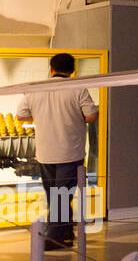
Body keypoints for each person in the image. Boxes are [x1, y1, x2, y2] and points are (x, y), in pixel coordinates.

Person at [15, 54, 97, 250]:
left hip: (45, 152)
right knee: (62, 195)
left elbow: (20, 116)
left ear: (50, 69)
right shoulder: (78, 88)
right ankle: (56, 237)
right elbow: (91, 115)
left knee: (55, 194)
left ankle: (64, 232)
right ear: (72, 70)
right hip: (70, 152)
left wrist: (41, 117)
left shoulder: (36, 88)